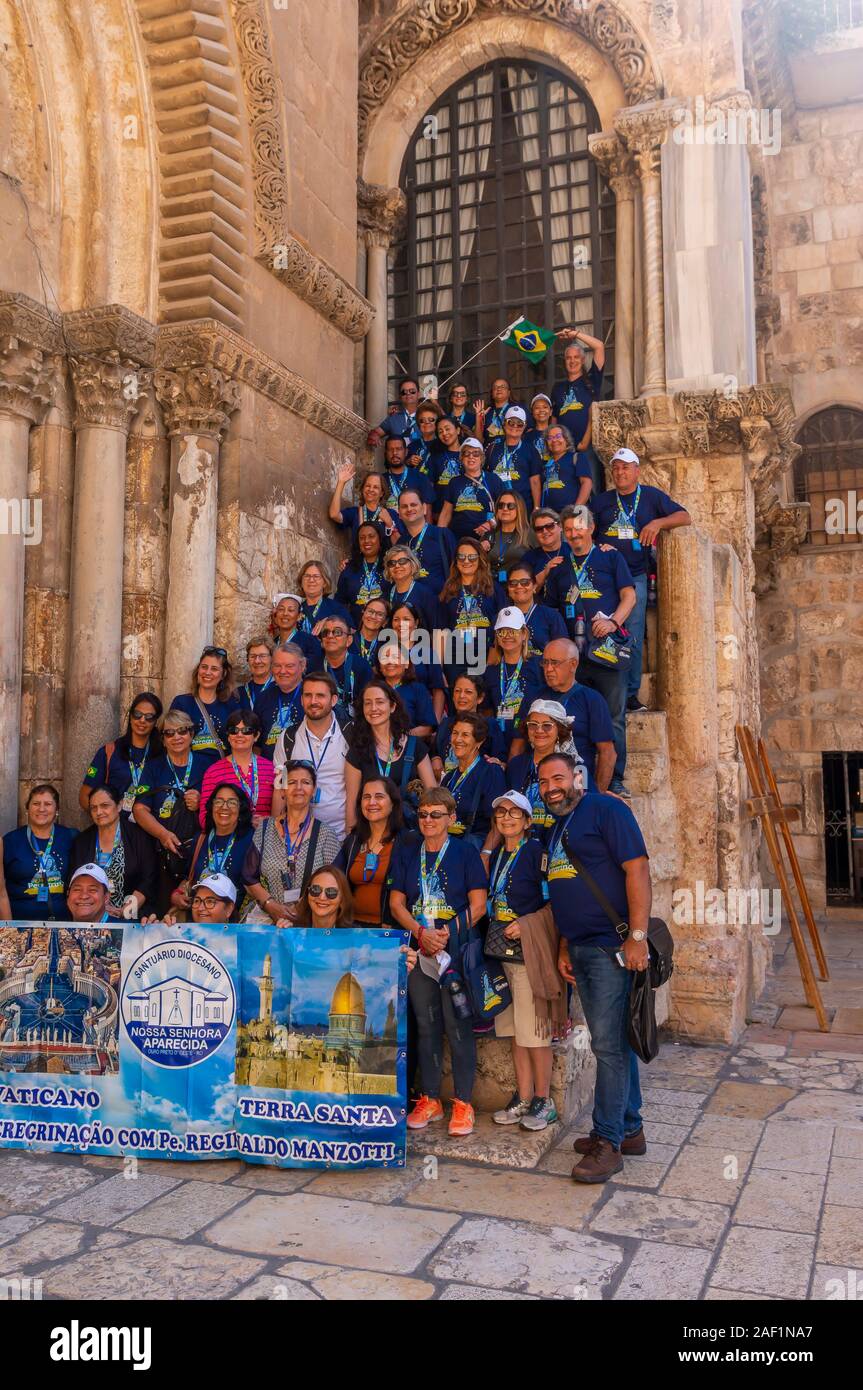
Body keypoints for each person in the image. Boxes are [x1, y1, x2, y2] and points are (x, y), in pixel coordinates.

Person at [538, 751, 650, 1183]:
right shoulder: (559, 826)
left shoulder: (603, 808)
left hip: (611, 948)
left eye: (558, 778)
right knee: (615, 1039)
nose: (552, 788)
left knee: (607, 1047)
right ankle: (630, 1127)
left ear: (577, 778)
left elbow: (637, 869)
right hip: (582, 948)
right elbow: (566, 887)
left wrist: (636, 938)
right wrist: (566, 944)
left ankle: (608, 1143)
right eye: (544, 782)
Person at [389, 786, 488, 1137]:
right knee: (426, 1024)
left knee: (457, 1026)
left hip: (454, 951)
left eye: (436, 814)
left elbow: (478, 905)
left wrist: (445, 933)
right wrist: (420, 932)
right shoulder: (407, 851)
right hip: (420, 949)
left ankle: (463, 1103)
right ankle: (430, 1098)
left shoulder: (465, 852)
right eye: (424, 814)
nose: (428, 820)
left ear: (451, 818)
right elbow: (397, 902)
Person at [592, 446, 691, 712]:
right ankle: (605, 693)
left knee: (631, 636)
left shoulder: (650, 496)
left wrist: (658, 524)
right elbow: (586, 530)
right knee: (600, 631)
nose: (620, 472)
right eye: (616, 467)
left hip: (635, 576)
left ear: (637, 471)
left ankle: (630, 694)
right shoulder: (601, 502)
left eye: (625, 466)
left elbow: (685, 516)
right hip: (605, 579)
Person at [547, 509, 636, 795]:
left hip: (606, 651)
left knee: (613, 717)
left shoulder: (610, 556)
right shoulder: (560, 567)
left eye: (578, 528)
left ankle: (615, 779)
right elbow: (552, 609)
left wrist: (613, 622)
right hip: (573, 656)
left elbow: (630, 596)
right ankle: (572, 775)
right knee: (572, 716)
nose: (574, 534)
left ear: (592, 528)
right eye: (569, 529)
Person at [489, 791, 563, 1131]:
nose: (507, 818)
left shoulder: (536, 854)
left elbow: (554, 904)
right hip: (498, 952)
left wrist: (527, 924)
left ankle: (543, 1100)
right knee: (513, 1032)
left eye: (514, 813)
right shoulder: (497, 856)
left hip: (527, 954)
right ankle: (521, 1097)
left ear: (528, 821)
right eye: (501, 812)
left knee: (535, 1032)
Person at [241, 759, 341, 924]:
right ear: (283, 791)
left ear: (314, 790)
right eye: (292, 782)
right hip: (267, 920)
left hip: (310, 923)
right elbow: (248, 876)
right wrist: (270, 905)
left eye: (306, 782)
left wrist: (300, 911)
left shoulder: (326, 834)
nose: (299, 788)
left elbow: (336, 884)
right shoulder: (264, 829)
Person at [132, 709, 209, 900]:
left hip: (198, 851)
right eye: (169, 733)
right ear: (163, 739)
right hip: (161, 852)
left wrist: (202, 802)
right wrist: (163, 835)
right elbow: (139, 809)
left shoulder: (207, 764)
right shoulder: (154, 766)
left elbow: (221, 805)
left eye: (182, 731)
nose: (177, 737)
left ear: (191, 734)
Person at [345, 680, 435, 830]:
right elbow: (352, 803)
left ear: (392, 706)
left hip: (410, 834)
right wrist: (351, 842)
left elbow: (433, 794)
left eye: (379, 702)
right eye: (368, 703)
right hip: (371, 835)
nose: (373, 708)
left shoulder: (414, 746)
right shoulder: (357, 751)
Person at [272, 673, 350, 839]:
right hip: (298, 837)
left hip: (341, 835)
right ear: (301, 700)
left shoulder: (350, 734)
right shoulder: (288, 738)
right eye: (308, 695)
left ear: (334, 700)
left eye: (320, 695)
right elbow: (281, 788)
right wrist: (276, 834)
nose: (313, 701)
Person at [535, 641, 616, 792]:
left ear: (573, 664)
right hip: (540, 781)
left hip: (577, 782)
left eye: (555, 663)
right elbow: (519, 744)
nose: (548, 669)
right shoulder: (535, 697)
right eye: (545, 662)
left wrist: (597, 796)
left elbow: (608, 753)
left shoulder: (591, 699)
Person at [69, 784, 158, 919]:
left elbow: (149, 879)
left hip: (133, 918)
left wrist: (126, 911)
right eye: (94, 808)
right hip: (93, 918)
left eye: (105, 805)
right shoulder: (82, 841)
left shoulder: (139, 836)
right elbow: (74, 881)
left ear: (119, 805)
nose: (99, 812)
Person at [334, 776, 407, 926]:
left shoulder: (406, 842)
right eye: (366, 797)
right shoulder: (353, 841)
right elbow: (334, 875)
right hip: (352, 927)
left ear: (393, 803)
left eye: (379, 796)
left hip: (389, 929)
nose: (371, 802)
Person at [0, 785, 77, 921]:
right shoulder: (10, 841)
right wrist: (8, 929)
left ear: (56, 810)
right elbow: (0, 891)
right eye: (36, 803)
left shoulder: (70, 837)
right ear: (28, 808)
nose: (41, 809)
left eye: (47, 804)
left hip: (61, 924)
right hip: (20, 925)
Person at [176, 781, 254, 912]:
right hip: (200, 917)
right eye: (219, 801)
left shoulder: (251, 840)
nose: (224, 807)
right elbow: (188, 879)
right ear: (211, 807)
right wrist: (177, 895)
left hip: (236, 922)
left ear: (241, 809)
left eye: (232, 802)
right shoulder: (200, 839)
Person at [80, 691, 163, 815]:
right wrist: (106, 818)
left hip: (149, 829)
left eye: (149, 717)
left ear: (155, 721)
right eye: (137, 714)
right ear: (130, 716)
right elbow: (84, 796)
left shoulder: (162, 755)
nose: (142, 720)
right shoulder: (109, 751)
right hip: (115, 828)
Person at [506, 699, 581, 836]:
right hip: (522, 843)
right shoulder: (515, 765)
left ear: (560, 729)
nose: (539, 730)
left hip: (559, 840)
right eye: (533, 725)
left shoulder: (578, 767)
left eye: (547, 725)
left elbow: (586, 802)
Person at [436, 537, 505, 687]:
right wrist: (439, 669)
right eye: (461, 556)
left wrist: (492, 659)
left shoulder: (494, 589)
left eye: (472, 556)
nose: (466, 561)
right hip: (455, 657)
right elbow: (441, 631)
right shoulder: (448, 590)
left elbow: (501, 627)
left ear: (480, 559)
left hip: (485, 654)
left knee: (483, 704)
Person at [550, 329, 606, 494]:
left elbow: (599, 346)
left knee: (592, 490)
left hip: (587, 448)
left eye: (576, 357)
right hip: (564, 451)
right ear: (564, 362)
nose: (572, 361)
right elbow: (554, 421)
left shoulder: (591, 381)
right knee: (569, 491)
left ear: (582, 360)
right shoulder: (558, 389)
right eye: (568, 358)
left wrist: (576, 335)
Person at [483, 607, 544, 757]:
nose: (507, 636)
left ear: (524, 634)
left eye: (513, 631)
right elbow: (488, 710)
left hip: (530, 740)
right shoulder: (490, 671)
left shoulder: (538, 665)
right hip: (500, 739)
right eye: (502, 632)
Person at [198, 709, 275, 826]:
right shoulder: (213, 772)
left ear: (256, 736)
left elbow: (283, 813)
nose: (239, 735)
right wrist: (243, 821)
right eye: (234, 730)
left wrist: (268, 822)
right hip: (230, 841)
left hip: (265, 840)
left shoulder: (271, 769)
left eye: (246, 731)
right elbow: (204, 819)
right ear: (228, 736)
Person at [441, 712, 505, 852]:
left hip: (473, 850)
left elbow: (498, 821)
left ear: (479, 741)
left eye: (465, 735)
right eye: (455, 733)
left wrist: (486, 854)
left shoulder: (491, 772)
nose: (458, 739)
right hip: (447, 848)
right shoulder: (449, 778)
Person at [170, 647, 242, 765]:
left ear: (223, 674)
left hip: (222, 771)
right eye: (204, 667)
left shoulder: (231, 704)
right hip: (190, 771)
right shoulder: (182, 703)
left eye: (214, 669)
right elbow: (171, 739)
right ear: (198, 670)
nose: (207, 672)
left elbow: (239, 741)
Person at [432, 672, 505, 777]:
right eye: (457, 691)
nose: (461, 696)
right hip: (446, 785)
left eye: (468, 692)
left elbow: (501, 760)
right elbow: (435, 750)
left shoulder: (489, 725)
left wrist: (498, 763)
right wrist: (435, 758)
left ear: (480, 698)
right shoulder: (445, 723)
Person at [437, 437, 503, 543]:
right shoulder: (454, 482)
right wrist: (439, 539)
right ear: (461, 458)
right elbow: (445, 513)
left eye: (476, 453)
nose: (471, 457)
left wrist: (490, 524)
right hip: (458, 538)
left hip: (486, 537)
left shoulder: (493, 480)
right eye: (466, 453)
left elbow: (504, 509)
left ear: (482, 458)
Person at [389, 602, 447, 722]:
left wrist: (434, 723)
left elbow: (438, 691)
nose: (400, 624)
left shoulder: (427, 653)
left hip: (422, 719)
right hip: (391, 718)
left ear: (416, 623)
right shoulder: (385, 652)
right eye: (396, 619)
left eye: (406, 619)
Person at [396, 487, 454, 594]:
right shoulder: (400, 543)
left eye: (413, 505)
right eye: (404, 506)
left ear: (424, 508)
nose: (409, 509)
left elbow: (456, 571)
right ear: (399, 513)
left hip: (439, 604)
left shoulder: (442, 535)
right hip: (409, 606)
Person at [504, 560, 567, 658]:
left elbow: (563, 653)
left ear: (534, 587)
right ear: (508, 589)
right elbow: (495, 657)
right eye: (513, 583)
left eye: (525, 582)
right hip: (510, 673)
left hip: (543, 672)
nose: (519, 586)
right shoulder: (502, 617)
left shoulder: (551, 616)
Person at [334, 520, 390, 627]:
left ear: (380, 539)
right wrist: (348, 626)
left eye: (371, 536)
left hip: (385, 630)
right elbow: (339, 603)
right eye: (362, 538)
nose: (366, 541)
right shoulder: (348, 568)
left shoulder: (390, 567)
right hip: (355, 630)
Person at [376, 641, 437, 738]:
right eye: (385, 657)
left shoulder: (418, 689)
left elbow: (427, 728)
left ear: (406, 664)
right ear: (380, 666)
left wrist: (403, 739)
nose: (390, 661)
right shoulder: (373, 690)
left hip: (409, 747)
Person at [253, 646, 306, 758]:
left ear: (302, 665)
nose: (282, 671)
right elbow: (256, 744)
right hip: (269, 771)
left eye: (289, 666)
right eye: (277, 666)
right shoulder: (263, 698)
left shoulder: (311, 695)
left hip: (302, 770)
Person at [319, 615, 372, 720]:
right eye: (325, 633)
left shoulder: (361, 666)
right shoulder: (314, 666)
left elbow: (368, 702)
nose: (330, 636)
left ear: (349, 640)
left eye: (337, 632)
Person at [329, 458, 398, 538]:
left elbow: (399, 544)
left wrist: (389, 523)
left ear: (381, 493)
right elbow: (334, 514)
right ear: (362, 489)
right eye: (368, 486)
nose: (371, 489)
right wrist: (341, 482)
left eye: (375, 487)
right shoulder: (355, 513)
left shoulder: (391, 514)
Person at [485, 405, 537, 509]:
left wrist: (536, 507)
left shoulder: (530, 449)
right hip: (497, 506)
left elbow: (535, 481)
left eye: (519, 424)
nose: (515, 426)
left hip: (523, 506)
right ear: (504, 423)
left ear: (525, 425)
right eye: (511, 422)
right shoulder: (492, 448)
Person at [532, 423, 592, 511]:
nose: (554, 440)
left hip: (570, 515)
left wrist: (576, 509)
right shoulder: (545, 464)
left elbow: (587, 483)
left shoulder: (576, 457)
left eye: (558, 436)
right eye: (550, 438)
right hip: (550, 517)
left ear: (566, 440)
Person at [382, 544, 440, 634]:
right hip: (392, 645)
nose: (397, 565)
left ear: (413, 565)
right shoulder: (385, 595)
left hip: (421, 646)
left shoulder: (426, 594)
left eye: (402, 561)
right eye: (392, 563)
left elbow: (437, 630)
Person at [488, 490, 532, 585]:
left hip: (520, 590)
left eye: (510, 506)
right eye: (501, 505)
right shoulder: (489, 535)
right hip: (492, 590)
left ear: (519, 509)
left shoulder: (529, 534)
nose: (505, 509)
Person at [367, 375, 423, 450]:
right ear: (400, 396)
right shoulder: (393, 418)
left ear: (418, 394)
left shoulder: (427, 418)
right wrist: (374, 436)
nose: (408, 394)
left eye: (412, 391)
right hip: (396, 460)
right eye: (404, 392)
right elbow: (375, 432)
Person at [381, 435, 434, 513]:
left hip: (415, 524)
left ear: (406, 452)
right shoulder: (381, 480)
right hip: (390, 525)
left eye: (398, 449)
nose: (394, 453)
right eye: (390, 450)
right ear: (386, 454)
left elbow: (427, 512)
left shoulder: (420, 477)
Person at [296, 561, 350, 637]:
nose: (311, 580)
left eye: (316, 576)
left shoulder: (337, 608)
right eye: (307, 576)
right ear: (301, 582)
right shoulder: (295, 609)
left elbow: (352, 632)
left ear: (325, 582)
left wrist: (331, 621)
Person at [268, 592, 323, 667]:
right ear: (276, 615)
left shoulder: (310, 641)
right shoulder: (273, 643)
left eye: (290, 610)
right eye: (281, 609)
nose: (285, 613)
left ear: (299, 616)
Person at [524, 507, 571, 593]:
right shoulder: (529, 558)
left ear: (560, 527)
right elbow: (527, 592)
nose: (544, 531)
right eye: (539, 529)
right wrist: (545, 572)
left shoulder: (573, 550)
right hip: (543, 604)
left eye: (549, 526)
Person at [293, 865, 354, 930]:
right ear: (308, 894)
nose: (322, 897)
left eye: (331, 892)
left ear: (342, 899)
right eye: (316, 889)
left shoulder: (355, 936)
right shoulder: (294, 932)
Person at [430, 416, 463, 516]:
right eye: (440, 432)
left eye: (447, 429)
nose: (444, 433)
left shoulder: (469, 456)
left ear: (457, 430)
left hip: (464, 512)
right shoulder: (435, 458)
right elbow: (430, 487)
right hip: (440, 512)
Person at [350, 595, 390, 668]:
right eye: (370, 611)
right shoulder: (348, 640)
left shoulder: (388, 646)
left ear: (385, 621)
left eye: (380, 614)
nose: (373, 616)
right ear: (363, 612)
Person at [407, 401, 443, 479]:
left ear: (438, 423)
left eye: (431, 419)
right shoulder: (411, 446)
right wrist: (409, 462)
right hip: (416, 488)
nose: (426, 422)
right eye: (422, 420)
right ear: (418, 424)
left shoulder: (443, 444)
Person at [475, 377, 516, 446]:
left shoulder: (518, 409)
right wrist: (478, 418)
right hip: (490, 453)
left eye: (502, 387)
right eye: (495, 387)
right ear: (492, 394)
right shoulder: (487, 413)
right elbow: (478, 441)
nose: (499, 389)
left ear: (509, 392)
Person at [238, 636, 274, 712]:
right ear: (247, 660)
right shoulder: (240, 693)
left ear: (272, 658)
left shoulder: (280, 689)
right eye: (253, 656)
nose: (257, 661)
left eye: (262, 656)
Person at [524, 392, 553, 464]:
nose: (541, 410)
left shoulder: (557, 433)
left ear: (551, 412)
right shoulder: (527, 436)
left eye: (545, 407)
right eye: (537, 408)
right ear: (532, 412)